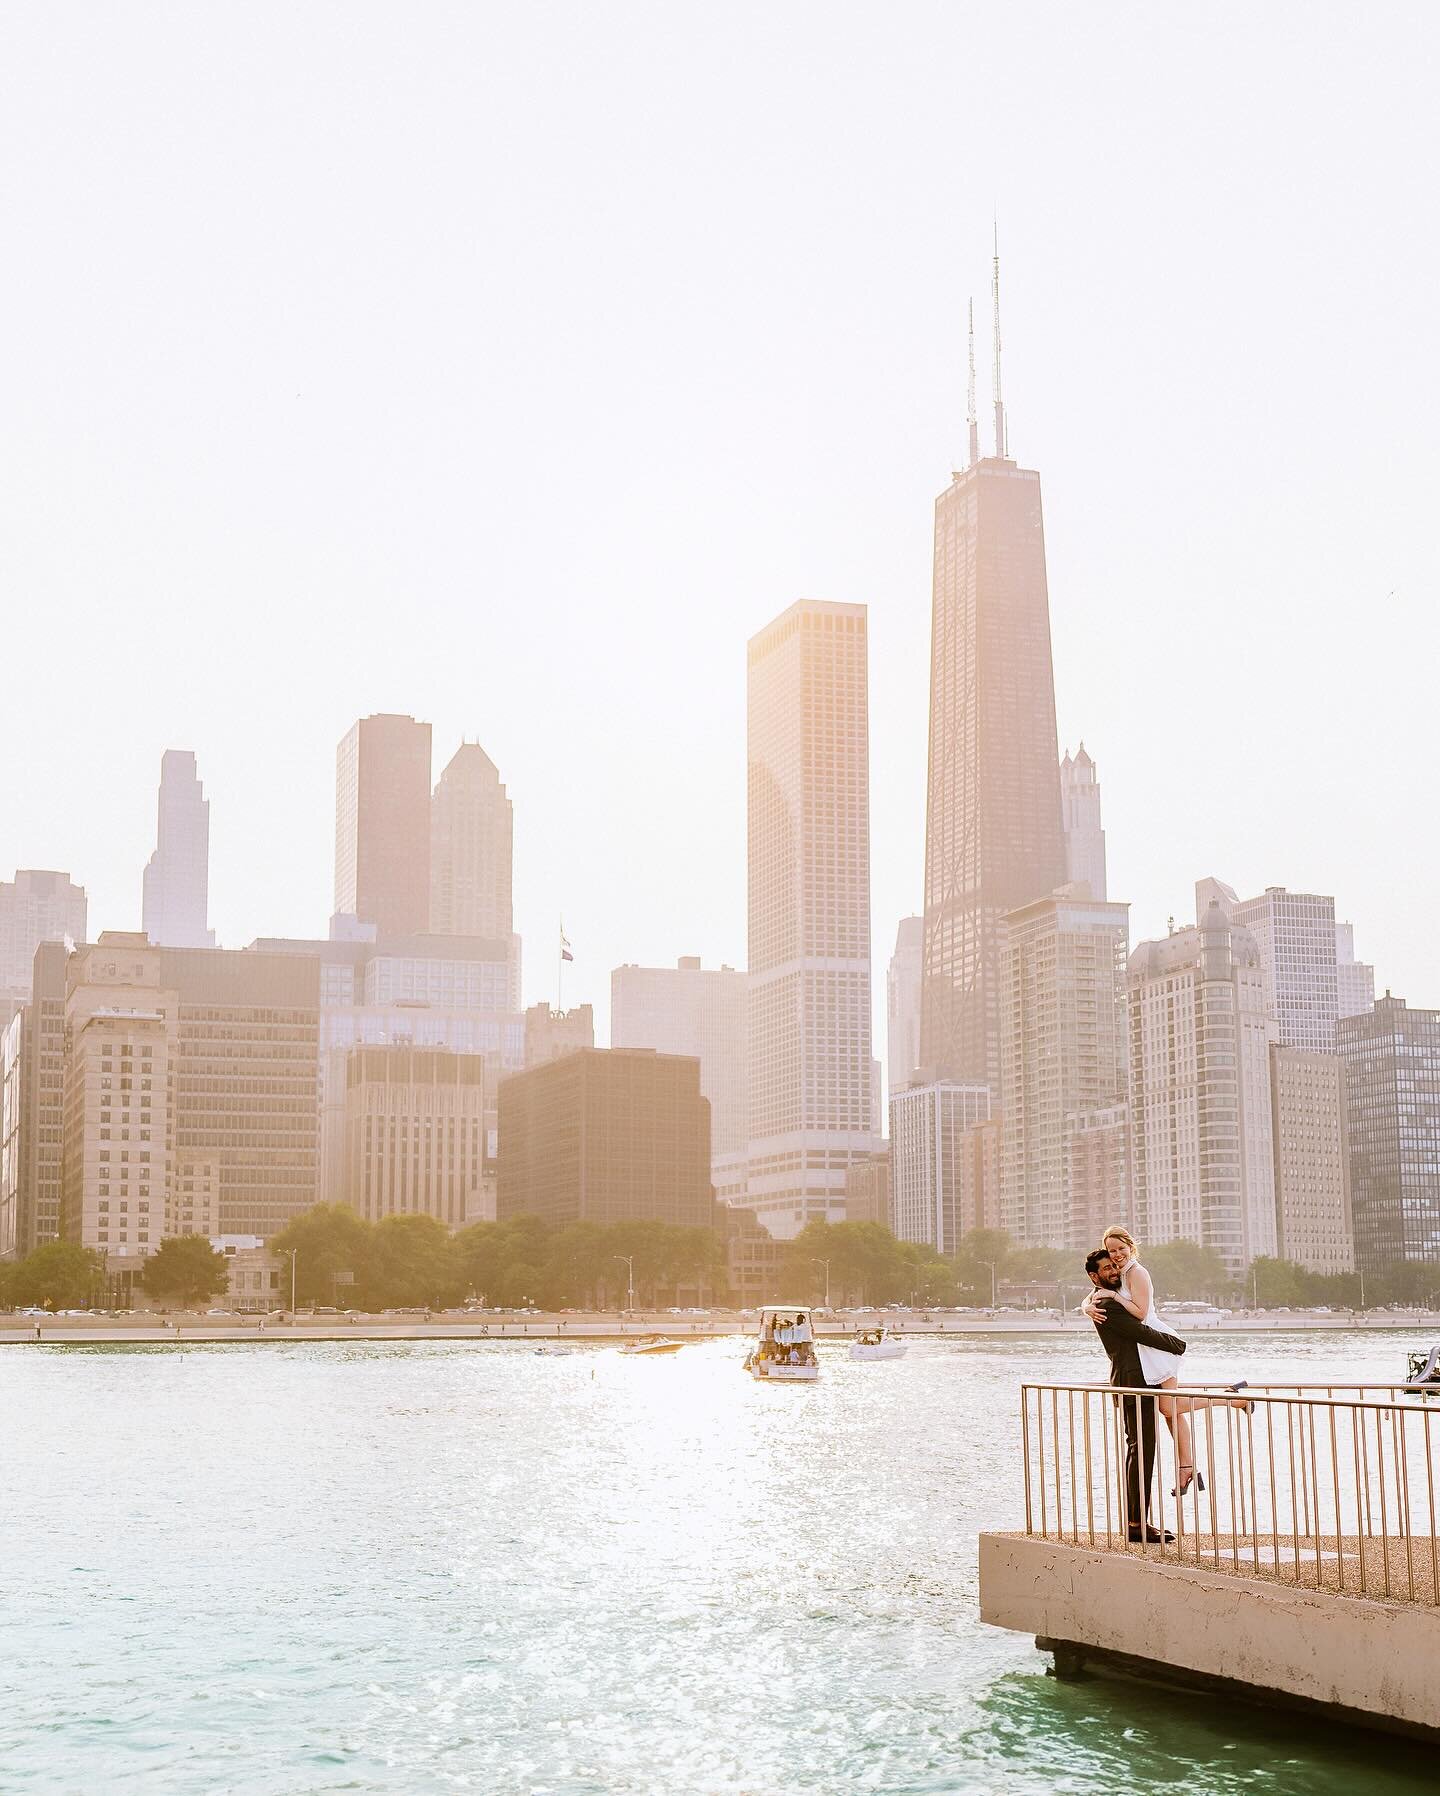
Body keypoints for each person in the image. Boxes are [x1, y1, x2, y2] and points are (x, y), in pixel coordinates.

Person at [1082, 1225, 1251, 1495]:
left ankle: (1231, 1399)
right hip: (1145, 1350)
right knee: (1171, 1410)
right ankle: (1187, 1468)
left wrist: (1112, 1296)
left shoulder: (1137, 1272)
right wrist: (1086, 1306)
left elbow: (1140, 1313)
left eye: (1121, 1248)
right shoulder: (1119, 1273)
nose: (1116, 1254)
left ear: (1131, 1247)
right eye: (1111, 1250)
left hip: (1157, 1345)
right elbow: (1093, 1292)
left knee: (1169, 1408)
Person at [1083, 1246, 1189, 1542]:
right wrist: (1177, 1345)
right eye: (1106, 1268)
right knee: (1141, 1452)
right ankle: (1136, 1524)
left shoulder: (1105, 1298)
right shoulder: (1108, 1305)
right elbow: (1142, 1333)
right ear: (1094, 1277)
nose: (1113, 1271)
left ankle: (1138, 1521)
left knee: (1142, 1451)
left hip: (1137, 1382)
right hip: (1133, 1383)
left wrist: (1085, 1304)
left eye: (1114, 1265)